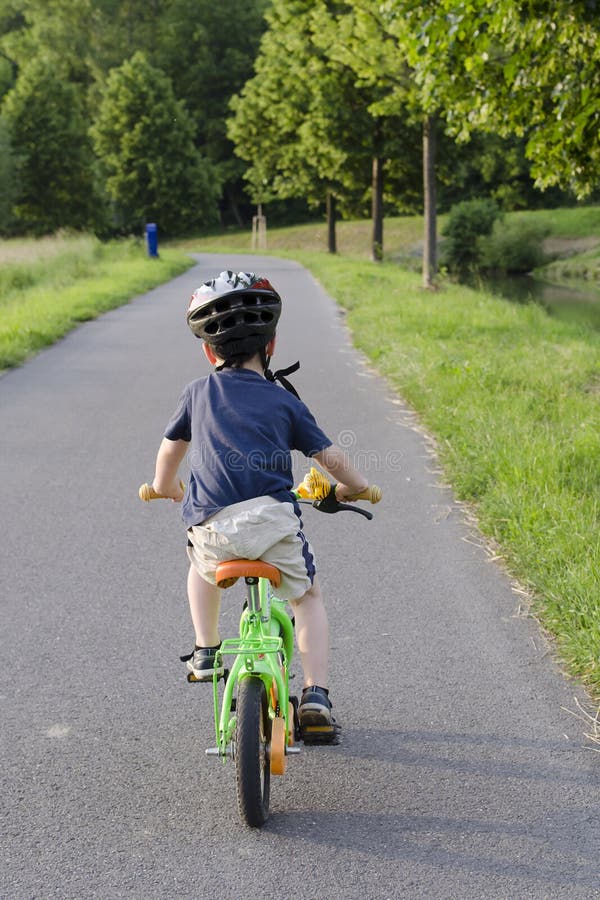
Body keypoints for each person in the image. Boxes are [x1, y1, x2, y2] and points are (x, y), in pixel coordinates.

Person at [151, 270, 368, 731]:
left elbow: (170, 451)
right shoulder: (283, 401)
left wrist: (165, 485)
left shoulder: (196, 393)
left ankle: (206, 650)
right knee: (307, 596)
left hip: (214, 530)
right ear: (271, 346)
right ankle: (316, 695)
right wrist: (356, 486)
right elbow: (328, 457)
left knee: (199, 567)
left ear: (209, 352)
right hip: (273, 526)